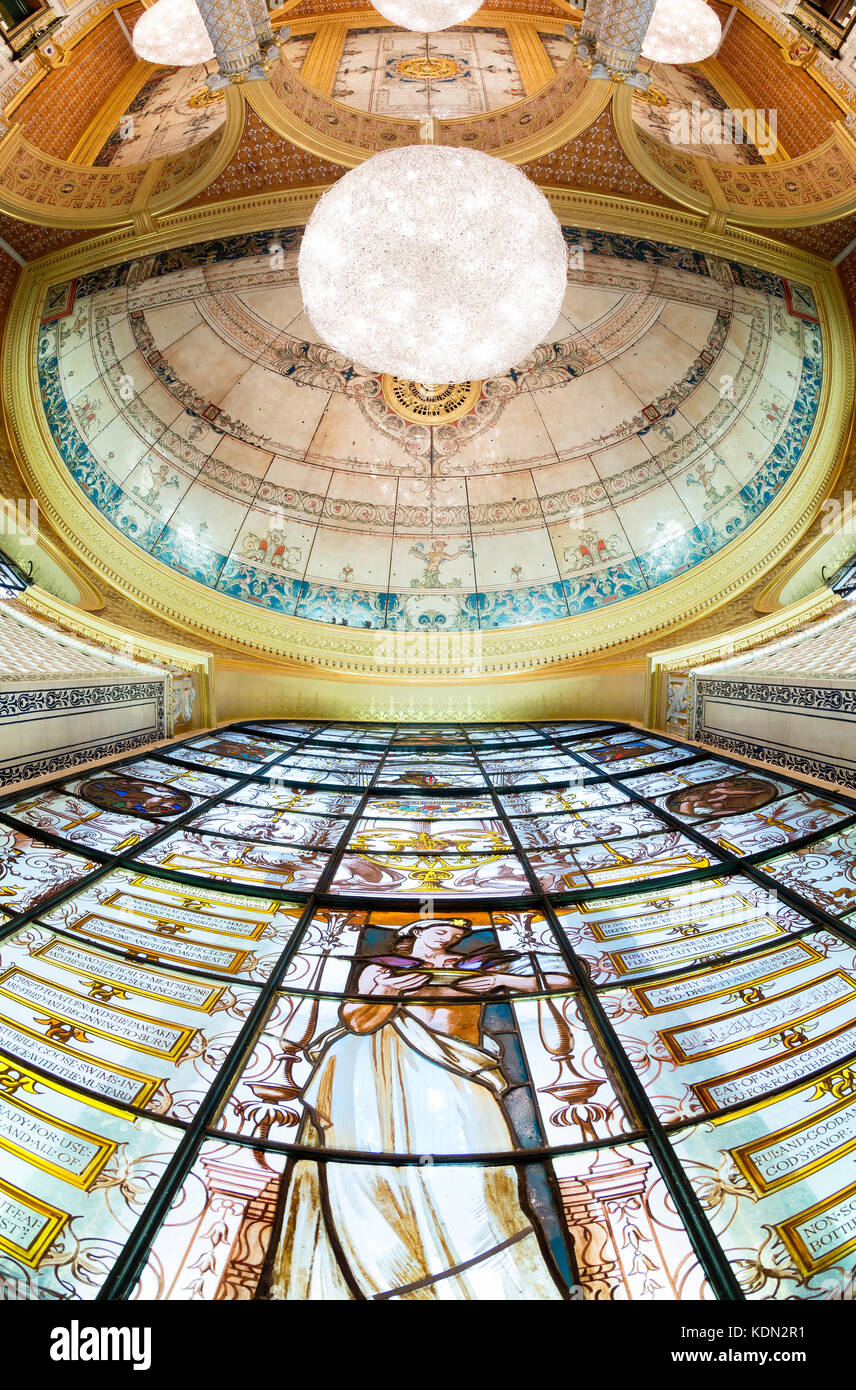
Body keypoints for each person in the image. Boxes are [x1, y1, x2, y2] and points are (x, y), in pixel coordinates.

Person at [266, 918, 571, 1300]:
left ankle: (490, 1285)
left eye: (458, 935)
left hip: (462, 1073)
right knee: (373, 1175)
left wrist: (503, 983)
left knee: (479, 1178)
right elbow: (358, 1022)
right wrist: (391, 993)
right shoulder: (383, 969)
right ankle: (386, 1281)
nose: (453, 939)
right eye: (442, 932)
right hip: (375, 1074)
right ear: (415, 934)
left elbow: (567, 980)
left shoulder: (476, 970)